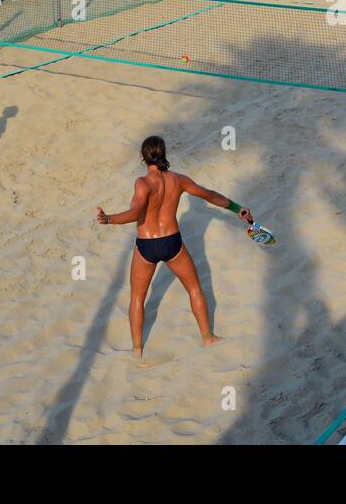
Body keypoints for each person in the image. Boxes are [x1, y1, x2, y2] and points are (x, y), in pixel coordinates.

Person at [95, 135, 255, 354]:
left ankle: (137, 349)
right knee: (194, 289)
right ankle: (207, 337)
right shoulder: (178, 180)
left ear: (144, 157)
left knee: (137, 298)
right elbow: (209, 195)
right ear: (164, 154)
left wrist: (109, 219)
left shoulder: (142, 183)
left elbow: (135, 213)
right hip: (172, 242)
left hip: (146, 246)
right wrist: (238, 209)